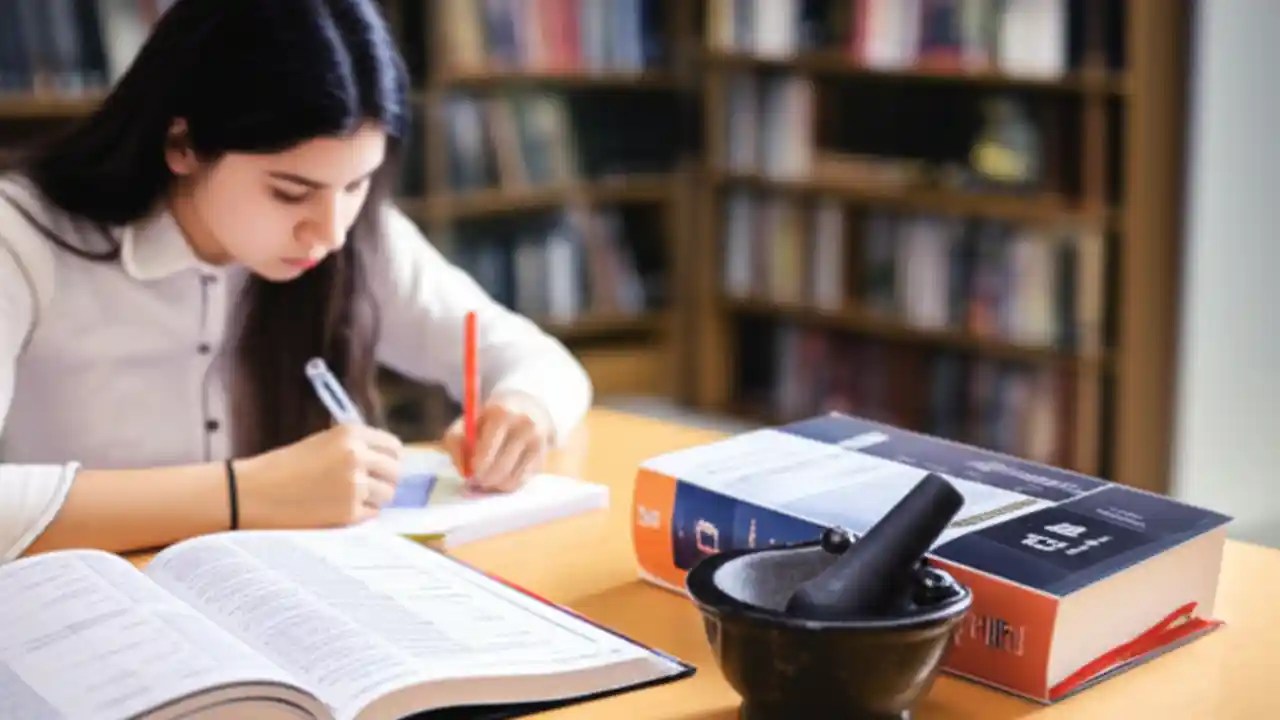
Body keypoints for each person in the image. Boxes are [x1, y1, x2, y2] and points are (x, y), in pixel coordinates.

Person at [0, 0, 593, 562]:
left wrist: (525, 410)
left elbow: (534, 357)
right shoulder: (21, 239)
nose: (330, 233)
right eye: (290, 192)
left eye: (357, 185)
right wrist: (244, 494)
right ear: (182, 143)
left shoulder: (357, 237)